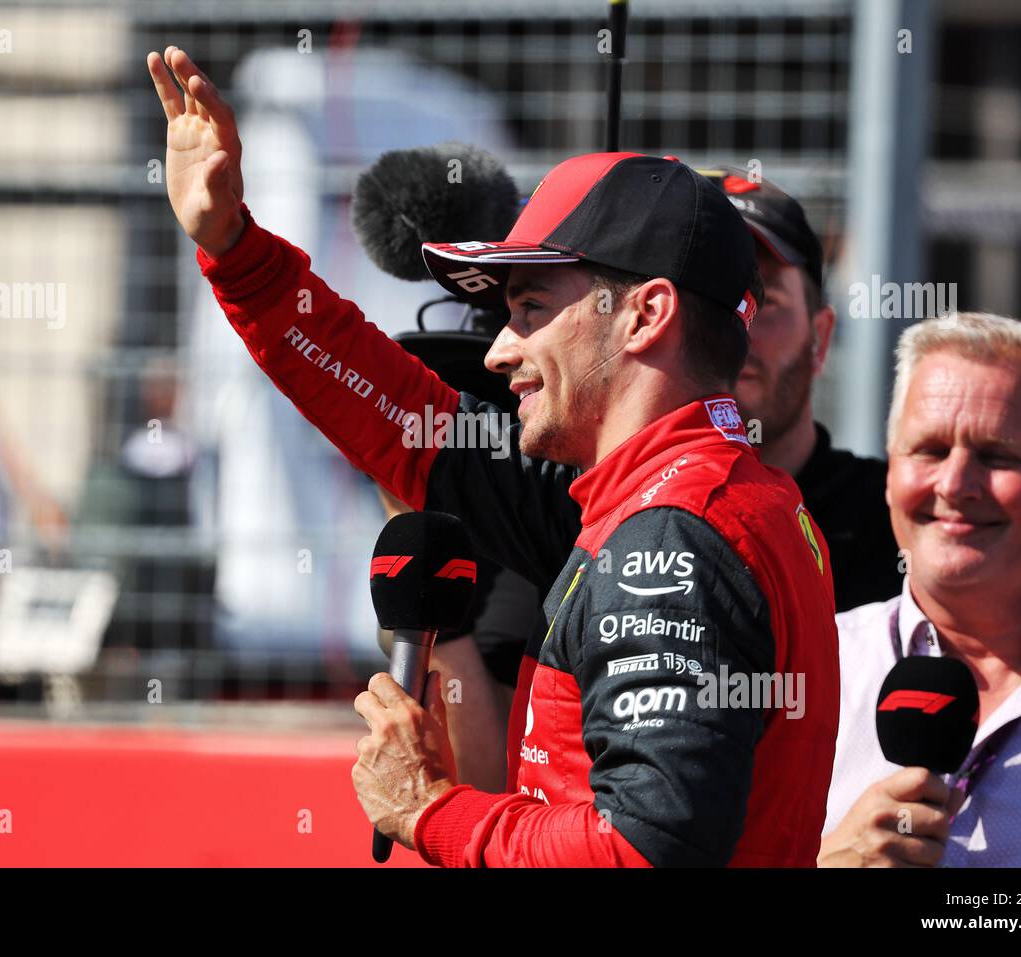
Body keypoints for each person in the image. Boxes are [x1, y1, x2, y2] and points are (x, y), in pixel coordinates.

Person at [149, 46, 839, 866]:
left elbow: (645, 848)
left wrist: (433, 810)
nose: (501, 350)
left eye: (533, 307)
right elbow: (396, 413)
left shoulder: (671, 535)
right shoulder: (699, 489)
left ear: (646, 314)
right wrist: (233, 244)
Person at [819, 313, 1021, 867]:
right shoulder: (796, 671)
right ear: (889, 473)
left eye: (997, 455)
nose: (954, 484)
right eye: (928, 450)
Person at [698, 167, 902, 611]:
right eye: (705, 296)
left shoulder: (899, 524)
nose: (736, 328)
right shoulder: (580, 506)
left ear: (820, 338)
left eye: (764, 301)